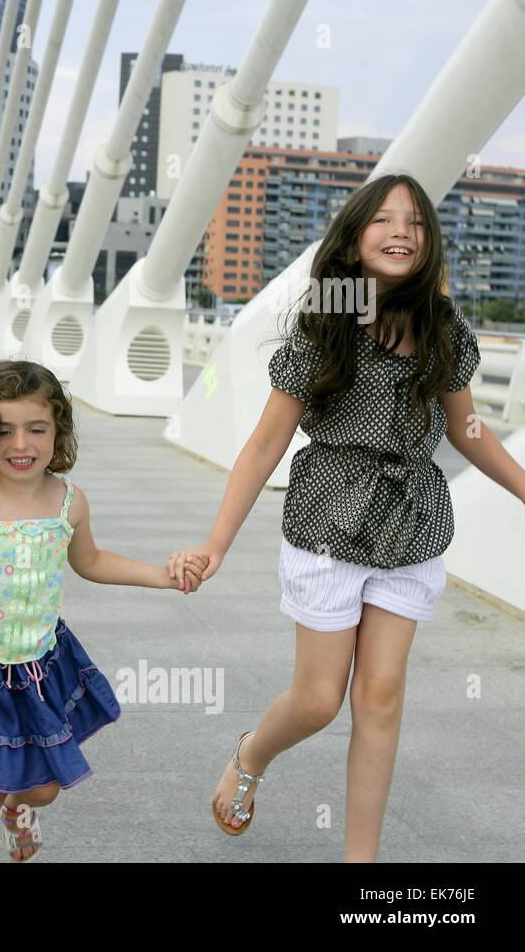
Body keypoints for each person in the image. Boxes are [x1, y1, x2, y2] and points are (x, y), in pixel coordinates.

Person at [167, 173, 525, 861]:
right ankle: (250, 754)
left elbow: (468, 427)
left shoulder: (443, 328)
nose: (400, 233)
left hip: (412, 521)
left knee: (382, 695)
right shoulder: (329, 319)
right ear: (354, 237)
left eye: (416, 223)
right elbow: (266, 441)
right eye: (383, 220)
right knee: (318, 699)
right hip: (329, 518)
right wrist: (216, 542)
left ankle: (363, 865)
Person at [0, 359, 208, 862]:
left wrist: (162, 576)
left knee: (42, 787)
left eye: (35, 430)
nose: (20, 445)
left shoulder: (69, 501)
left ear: (57, 431)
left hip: (40, 666)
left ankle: (18, 808)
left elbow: (90, 561)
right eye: (3, 431)